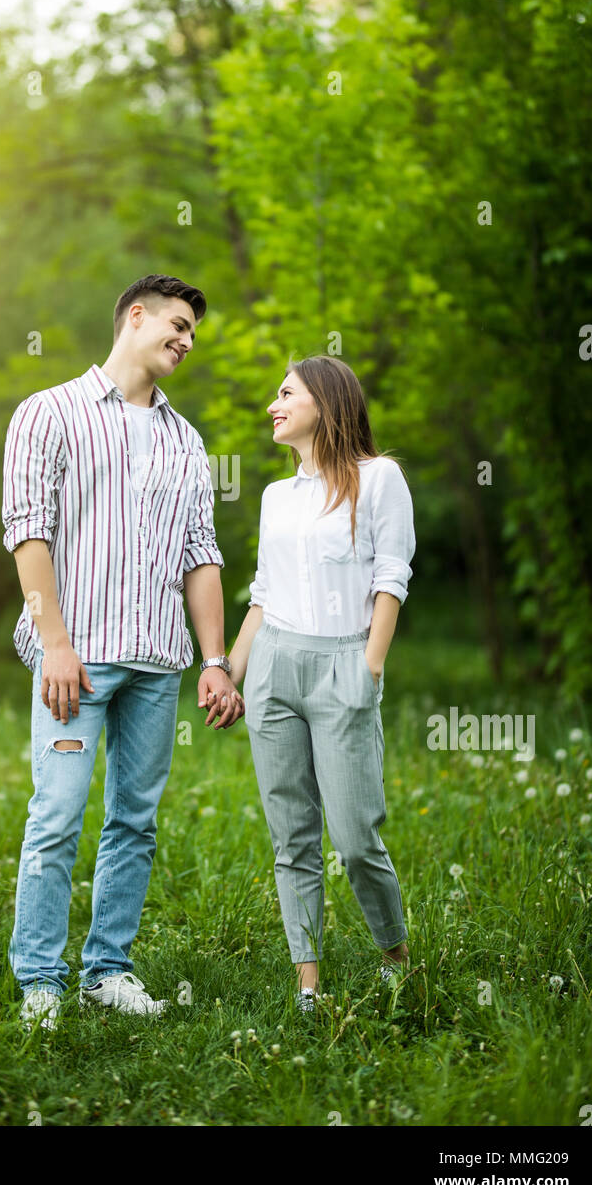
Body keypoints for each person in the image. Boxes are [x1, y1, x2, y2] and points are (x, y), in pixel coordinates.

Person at [1, 273, 244, 1031]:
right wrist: (56, 644)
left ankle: (108, 970)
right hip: (77, 660)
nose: (186, 340)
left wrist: (212, 660)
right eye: (176, 324)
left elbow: (201, 555)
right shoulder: (51, 413)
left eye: (193, 334)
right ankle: (40, 979)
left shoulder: (186, 440)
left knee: (134, 821)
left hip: (156, 664)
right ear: (134, 318)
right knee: (58, 815)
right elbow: (27, 531)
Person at [227, 355, 415, 1012]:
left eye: (285, 394)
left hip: (344, 666)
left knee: (357, 838)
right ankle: (308, 984)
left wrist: (368, 669)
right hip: (275, 669)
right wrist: (229, 671)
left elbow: (392, 577)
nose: (272, 406)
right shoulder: (277, 497)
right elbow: (263, 595)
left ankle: (397, 957)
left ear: (325, 402)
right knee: (293, 836)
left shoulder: (379, 479)